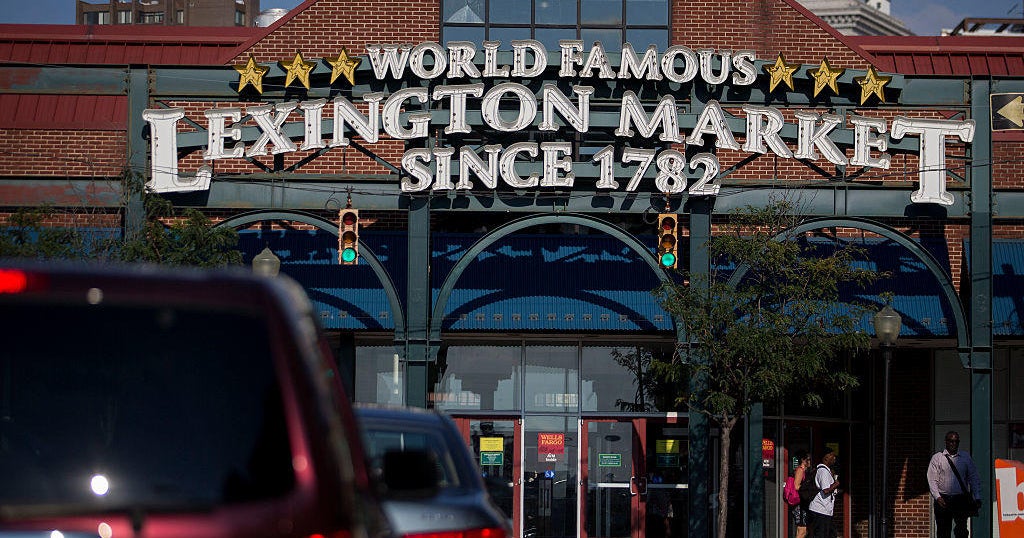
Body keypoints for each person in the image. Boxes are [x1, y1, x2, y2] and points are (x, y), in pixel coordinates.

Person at [927, 430, 982, 538]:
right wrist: (937, 497)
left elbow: (973, 478)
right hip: (943, 499)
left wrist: (977, 496)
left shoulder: (965, 457)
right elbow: (932, 479)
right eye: (951, 441)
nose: (953, 443)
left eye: (956, 441)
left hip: (960, 499)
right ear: (946, 442)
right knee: (943, 531)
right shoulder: (937, 458)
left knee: (961, 530)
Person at [807, 448, 840, 538]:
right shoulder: (823, 471)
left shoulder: (826, 471)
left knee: (831, 534)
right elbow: (825, 490)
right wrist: (836, 484)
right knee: (821, 535)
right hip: (820, 510)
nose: (834, 458)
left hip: (826, 510)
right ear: (826, 457)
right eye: (832, 455)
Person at [790, 450, 812, 538]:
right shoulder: (800, 470)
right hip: (800, 504)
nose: (810, 461)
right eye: (808, 459)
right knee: (802, 531)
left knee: (805, 530)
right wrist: (808, 488)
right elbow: (796, 486)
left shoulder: (804, 471)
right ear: (803, 460)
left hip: (803, 503)